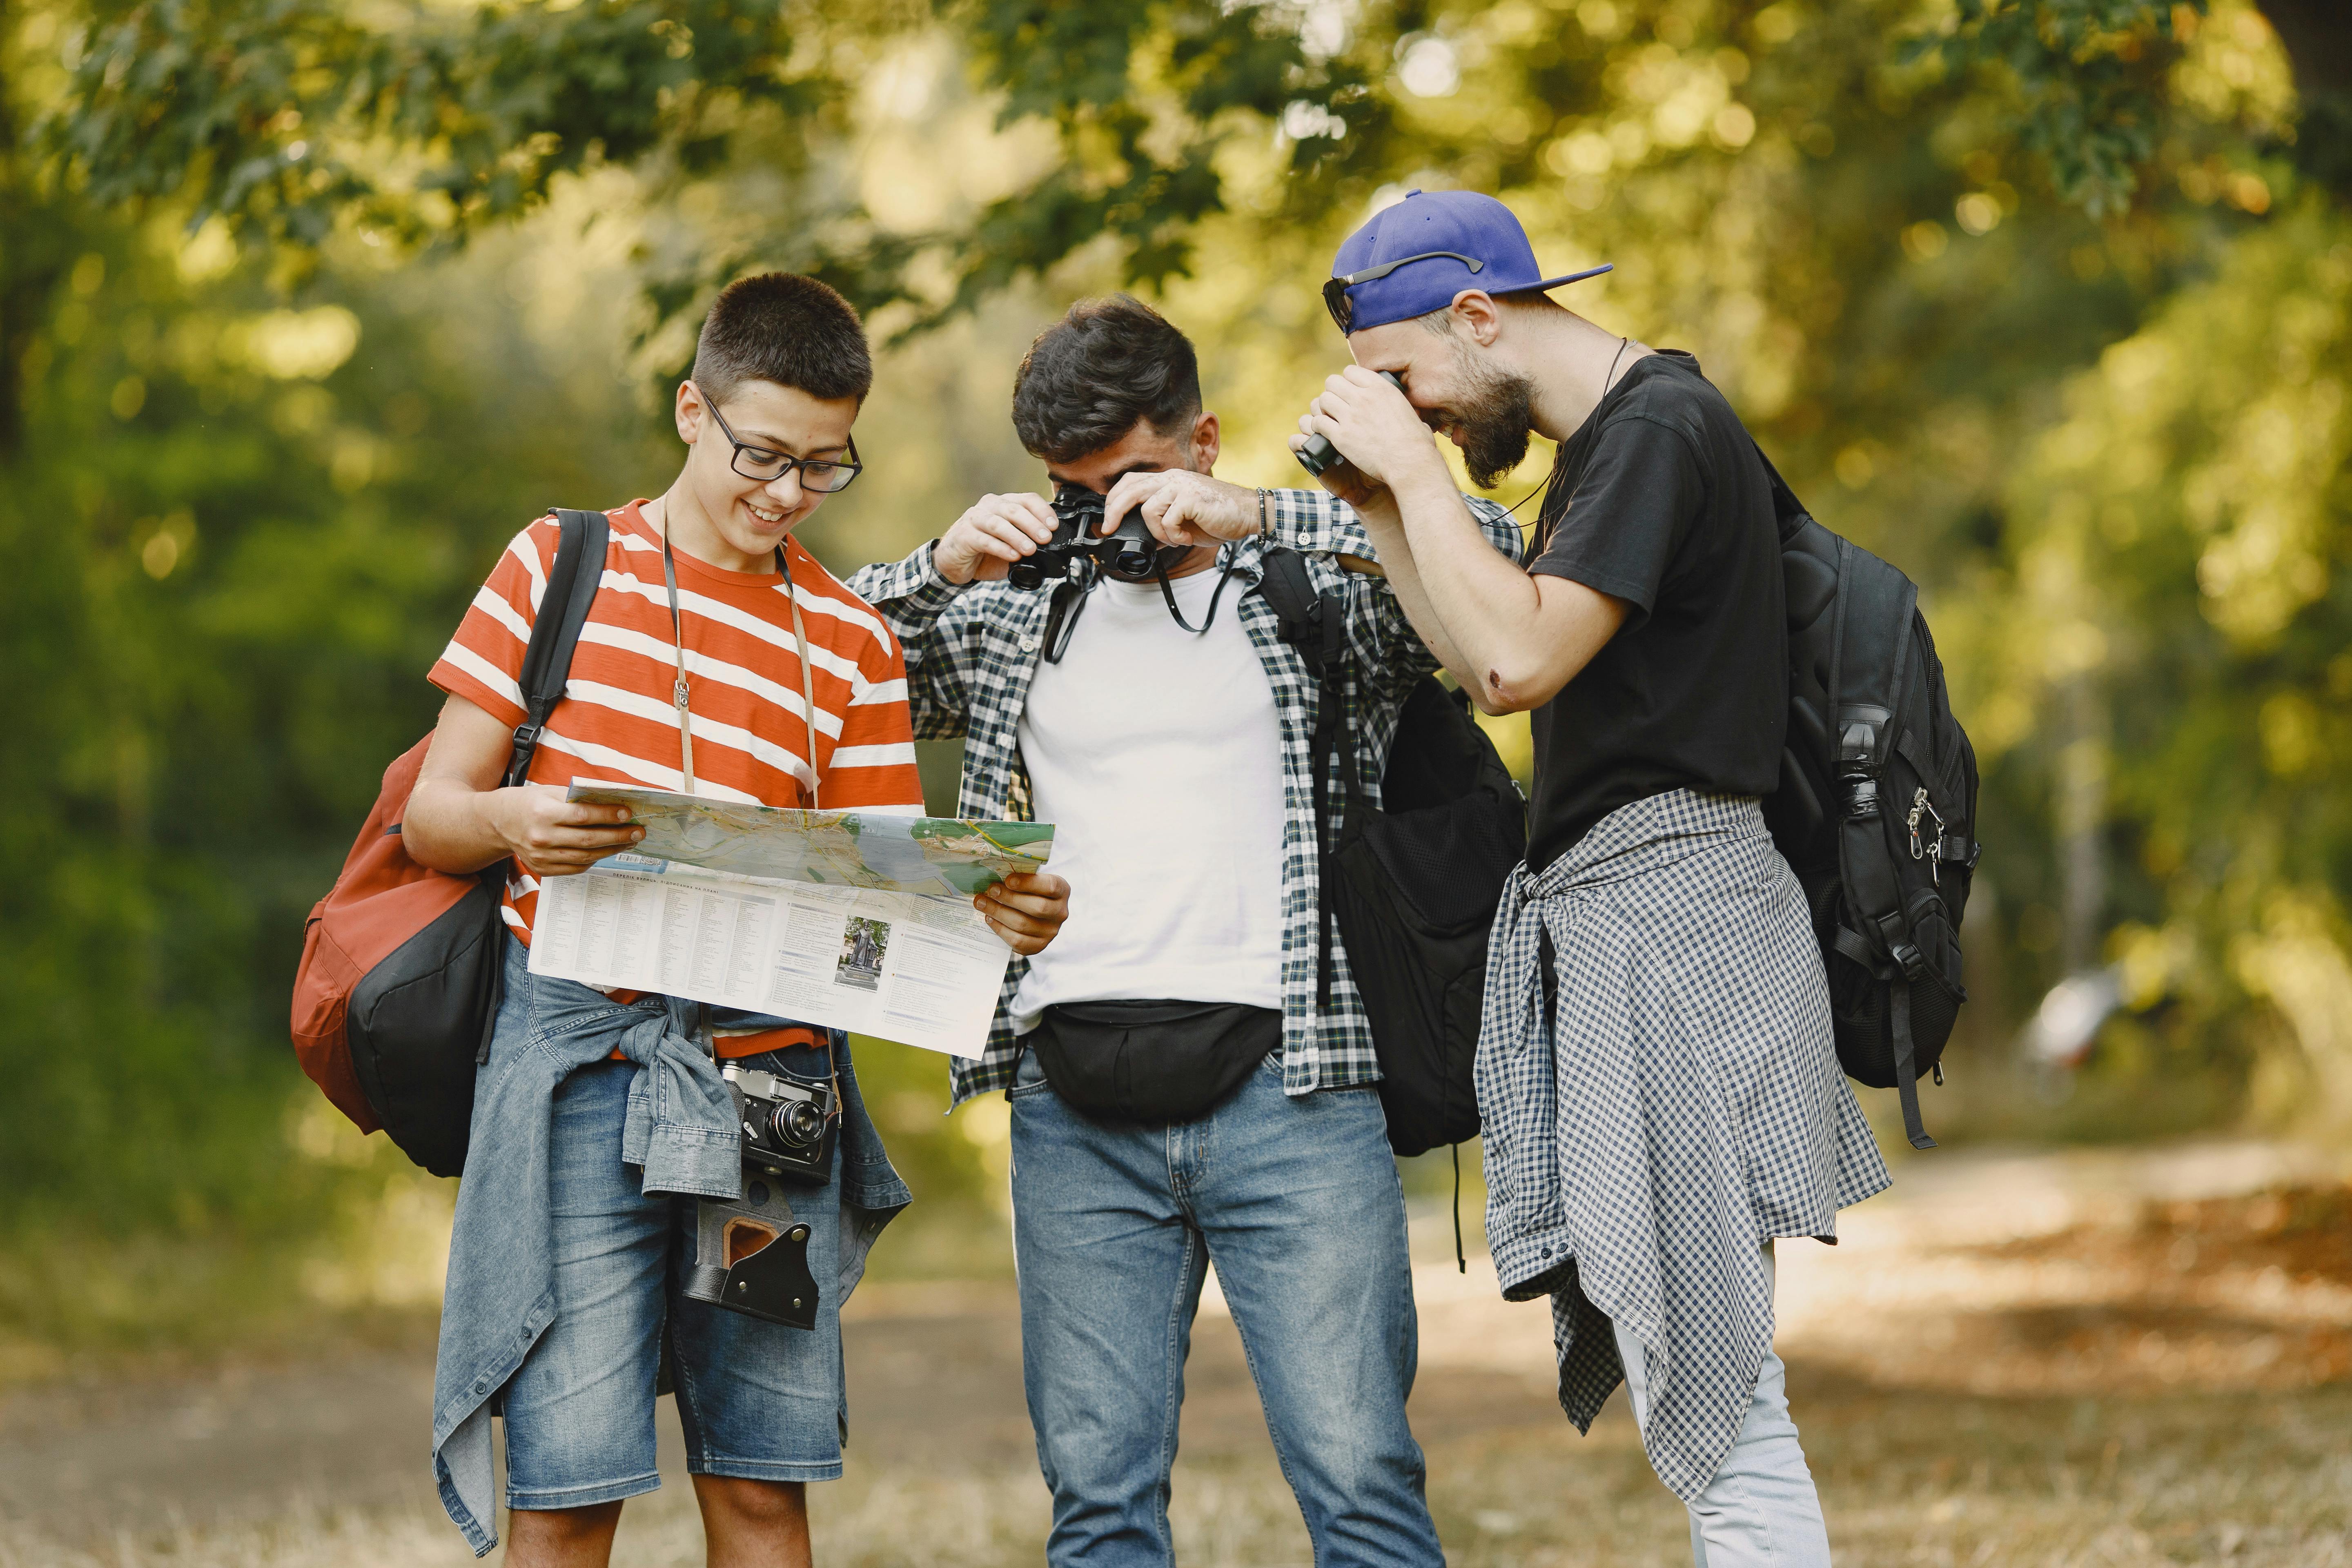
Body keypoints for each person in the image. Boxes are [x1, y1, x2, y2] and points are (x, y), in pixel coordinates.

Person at [399, 272, 1072, 1567]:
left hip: (771, 1100)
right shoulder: (561, 564)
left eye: (825, 468)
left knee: (764, 1476)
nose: (784, 494)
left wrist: (996, 921)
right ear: (690, 410)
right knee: (570, 1475)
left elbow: (880, 901)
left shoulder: (850, 640)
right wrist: (514, 825)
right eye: (761, 454)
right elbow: (436, 811)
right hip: (581, 1074)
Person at [846, 295, 1521, 1567]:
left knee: (1364, 1486)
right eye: (1072, 491)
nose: (1108, 518)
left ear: (1204, 441)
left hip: (1298, 1093)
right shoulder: (1009, 614)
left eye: (1136, 481)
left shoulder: (1310, 590)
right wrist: (935, 566)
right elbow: (812, 663)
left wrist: (1268, 512)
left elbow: (1494, 554)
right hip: (1070, 1104)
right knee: (1098, 1508)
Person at [1293, 190, 1891, 1567]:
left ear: (1479, 314)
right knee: (1729, 1400)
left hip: (1681, 933)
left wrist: (1423, 478)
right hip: (1650, 925)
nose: (1421, 412)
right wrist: (1386, 505)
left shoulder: (1657, 427)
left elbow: (1518, 662)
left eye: (1406, 380)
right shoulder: (1610, 447)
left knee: (1731, 1406)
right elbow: (1487, 667)